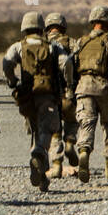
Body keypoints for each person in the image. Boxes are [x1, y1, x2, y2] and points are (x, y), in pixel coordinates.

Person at [2, 12, 72, 191]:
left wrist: (13, 82)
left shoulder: (18, 46)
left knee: (35, 132)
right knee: (49, 129)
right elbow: (66, 64)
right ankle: (39, 153)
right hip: (47, 96)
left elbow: (7, 63)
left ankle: (42, 178)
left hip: (27, 97)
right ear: (41, 27)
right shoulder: (52, 46)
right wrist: (68, 84)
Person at [72, 6, 108, 182]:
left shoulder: (81, 41)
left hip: (83, 86)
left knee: (86, 123)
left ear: (92, 22)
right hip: (105, 88)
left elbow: (71, 64)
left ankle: (83, 151)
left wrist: (72, 86)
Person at [44, 12, 80, 177]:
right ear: (63, 26)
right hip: (67, 91)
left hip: (49, 94)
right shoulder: (72, 42)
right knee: (72, 121)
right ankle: (70, 143)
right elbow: (79, 62)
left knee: (54, 130)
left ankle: (56, 164)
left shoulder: (42, 44)